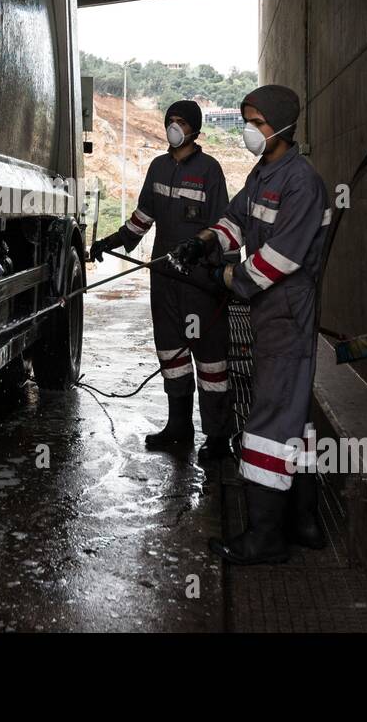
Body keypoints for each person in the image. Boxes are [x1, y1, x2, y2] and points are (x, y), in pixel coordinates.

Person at [170, 85, 329, 563]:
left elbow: (276, 261)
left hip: (287, 312)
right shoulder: (265, 174)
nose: (248, 131)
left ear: (279, 126)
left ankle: (263, 538)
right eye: (247, 120)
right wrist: (203, 242)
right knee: (291, 419)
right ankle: (303, 522)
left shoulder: (301, 182)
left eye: (255, 122)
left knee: (267, 422)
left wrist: (225, 276)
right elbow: (235, 221)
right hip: (271, 313)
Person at [89, 100, 234, 461]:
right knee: (171, 351)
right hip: (165, 277)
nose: (173, 127)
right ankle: (179, 426)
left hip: (199, 283)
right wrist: (110, 241)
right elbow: (142, 218)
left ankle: (217, 436)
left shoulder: (210, 171)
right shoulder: (157, 168)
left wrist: (224, 276)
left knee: (211, 361)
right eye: (170, 121)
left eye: (180, 122)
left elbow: (225, 228)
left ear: (195, 129)